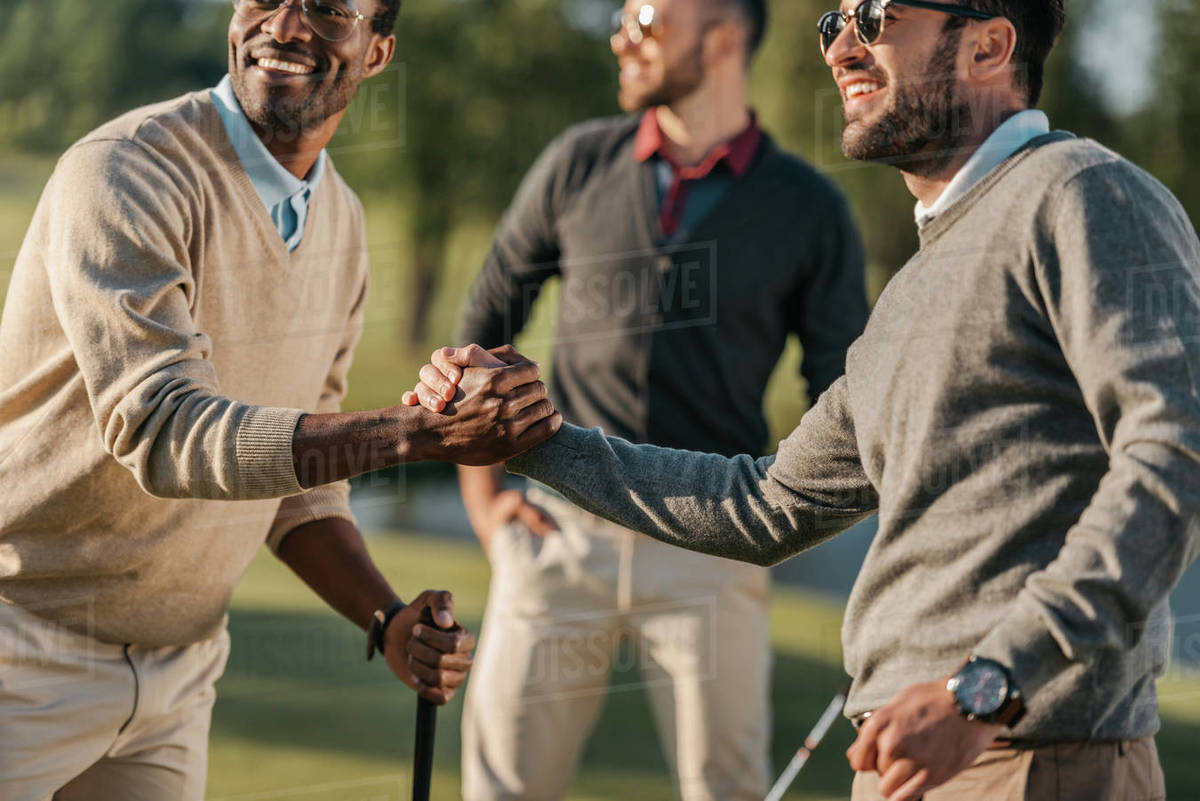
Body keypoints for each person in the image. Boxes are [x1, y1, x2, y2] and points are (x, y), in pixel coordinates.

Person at [406, 1, 1200, 799]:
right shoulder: (912, 288)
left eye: (877, 15)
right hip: (914, 760)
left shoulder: (1084, 193)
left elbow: (1176, 458)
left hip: (1035, 755)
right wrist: (525, 440)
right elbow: (765, 502)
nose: (842, 47)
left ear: (989, 45)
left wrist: (987, 686)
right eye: (833, 22)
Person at [0, 1, 561, 798]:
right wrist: (421, 433)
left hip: (179, 676)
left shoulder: (343, 224)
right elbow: (165, 430)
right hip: (20, 641)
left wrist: (387, 619)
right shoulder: (126, 170)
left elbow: (300, 491)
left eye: (331, 9)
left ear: (376, 52)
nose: (288, 26)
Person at [409, 0, 868, 797]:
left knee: (725, 786)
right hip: (558, 536)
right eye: (621, 16)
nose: (623, 34)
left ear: (724, 34)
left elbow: (847, 402)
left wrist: (778, 516)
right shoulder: (576, 163)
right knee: (501, 787)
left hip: (715, 547)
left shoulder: (811, 208)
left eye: (648, 15)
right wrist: (485, 507)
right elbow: (476, 336)